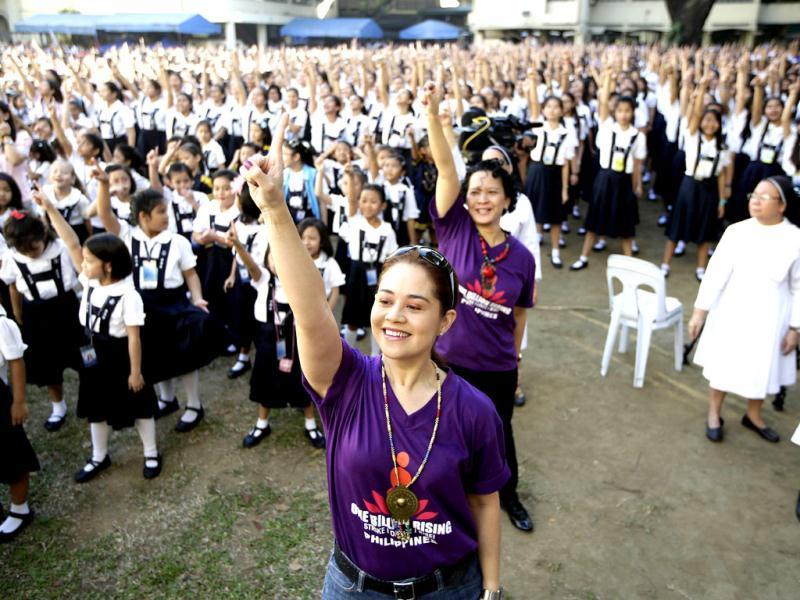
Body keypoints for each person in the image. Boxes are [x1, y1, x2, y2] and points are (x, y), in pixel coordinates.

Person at [241, 133, 508, 599]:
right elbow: (309, 309)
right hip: (354, 589)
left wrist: (490, 588)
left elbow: (485, 501)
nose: (394, 316)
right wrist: (275, 210)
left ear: (445, 321)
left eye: (415, 305)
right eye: (385, 300)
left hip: (448, 589)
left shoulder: (475, 410)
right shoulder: (344, 383)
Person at [426, 82, 536, 533]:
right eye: (477, 191)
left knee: (497, 436)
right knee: (440, 437)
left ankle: (508, 497)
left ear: (507, 200)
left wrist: (516, 359)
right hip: (446, 362)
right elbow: (447, 170)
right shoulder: (453, 229)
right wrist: (434, 117)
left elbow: (520, 315)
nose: (483, 198)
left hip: (496, 366)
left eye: (493, 191)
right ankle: (443, 501)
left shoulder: (523, 259)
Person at [34, 192, 162, 482]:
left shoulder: (129, 295)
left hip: (121, 354)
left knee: (139, 405)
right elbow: (71, 242)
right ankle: (98, 456)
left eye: (90, 261)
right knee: (96, 406)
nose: (83, 265)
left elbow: (133, 338)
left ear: (108, 265)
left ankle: (151, 452)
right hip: (93, 351)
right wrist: (51, 208)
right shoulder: (90, 282)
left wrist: (136, 372)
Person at [93, 166, 227, 433]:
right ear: (143, 216)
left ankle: (194, 405)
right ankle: (168, 398)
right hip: (143, 306)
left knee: (185, 353)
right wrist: (103, 186)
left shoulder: (177, 241)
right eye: (161, 212)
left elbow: (191, 275)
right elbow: (104, 214)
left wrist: (197, 299)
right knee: (154, 355)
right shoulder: (128, 237)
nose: (167, 216)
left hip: (173, 304)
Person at [689, 176, 800, 444]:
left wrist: (795, 328)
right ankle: (714, 413)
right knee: (724, 365)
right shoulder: (737, 231)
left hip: (772, 316)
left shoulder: (795, 238)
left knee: (763, 367)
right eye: (754, 195)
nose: (756, 201)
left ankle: (753, 415)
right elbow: (715, 274)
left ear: (782, 205)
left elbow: (798, 286)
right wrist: (699, 311)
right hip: (733, 310)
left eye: (765, 197)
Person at [0, 209, 84, 432]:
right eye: (24, 251)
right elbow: (13, 287)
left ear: (43, 235)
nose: (30, 254)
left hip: (66, 309)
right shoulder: (13, 259)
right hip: (36, 314)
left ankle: (89, 399)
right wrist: (17, 314)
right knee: (48, 365)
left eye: (34, 248)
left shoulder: (61, 250)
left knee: (83, 358)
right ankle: (58, 406)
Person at [661, 74, 730, 282]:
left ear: (719, 125)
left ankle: (701, 268)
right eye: (706, 120)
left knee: (705, 229)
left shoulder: (722, 148)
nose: (709, 124)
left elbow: (721, 174)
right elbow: (696, 114)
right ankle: (665, 263)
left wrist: (722, 200)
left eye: (714, 121)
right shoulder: (693, 137)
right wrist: (701, 88)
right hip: (689, 186)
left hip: (708, 189)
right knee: (678, 225)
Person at [0, 300, 38, 543]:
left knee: (11, 455)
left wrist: (19, 401)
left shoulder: (1, 324)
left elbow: (16, 361)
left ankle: (20, 509)